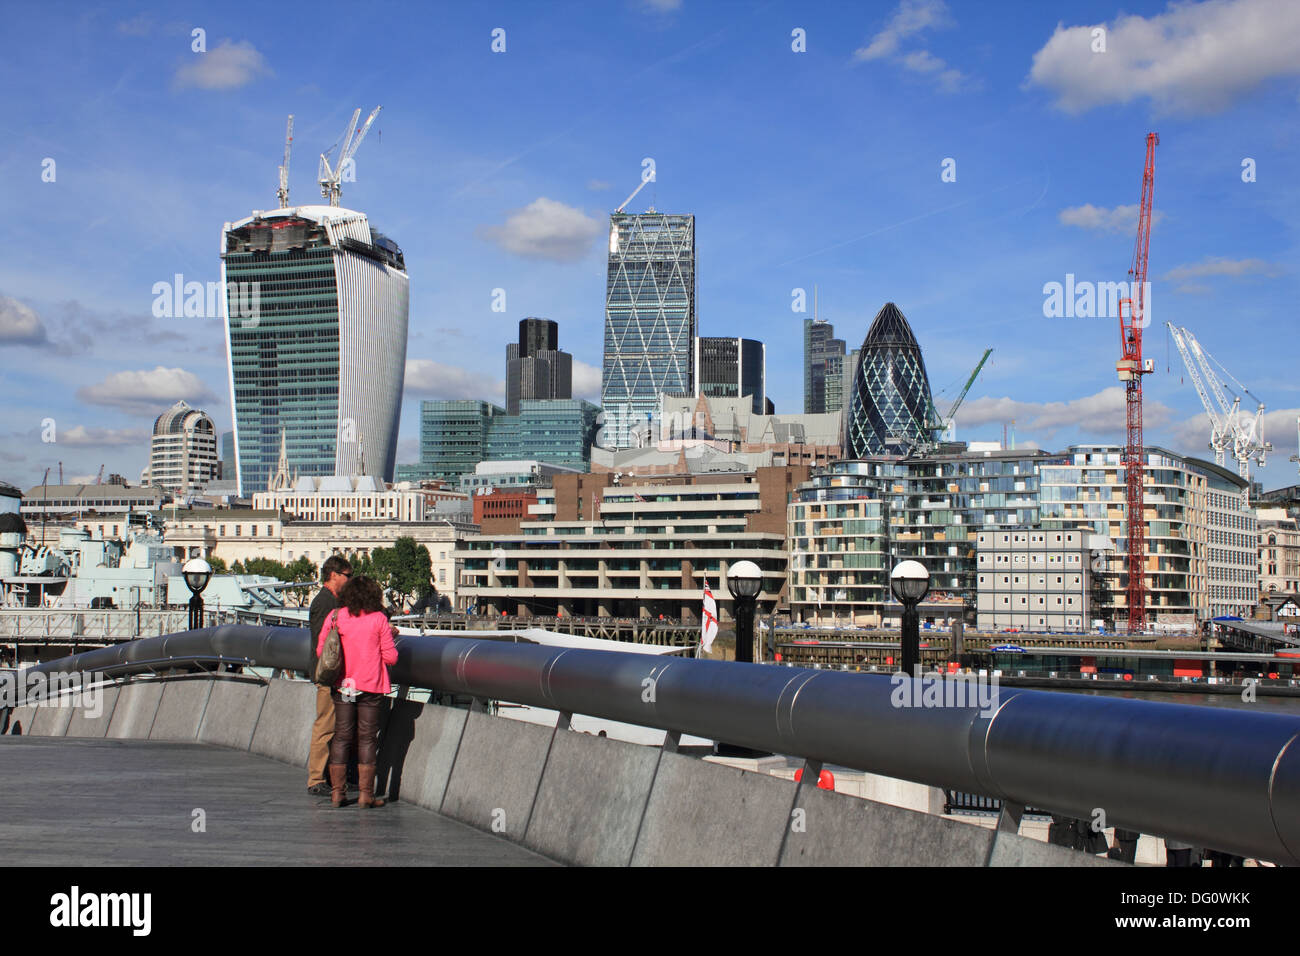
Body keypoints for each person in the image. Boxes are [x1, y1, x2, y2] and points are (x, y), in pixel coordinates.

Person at [318, 574, 398, 809]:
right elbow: (391, 657)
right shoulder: (378, 620)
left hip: (344, 685)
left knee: (342, 736)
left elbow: (321, 650)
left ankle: (337, 793)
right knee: (367, 738)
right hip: (370, 686)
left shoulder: (335, 617)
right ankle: (365, 795)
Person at [306, 555, 351, 797]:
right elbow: (325, 642)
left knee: (334, 726)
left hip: (330, 674)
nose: (349, 580)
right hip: (326, 674)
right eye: (347, 575)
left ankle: (331, 777)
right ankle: (315, 779)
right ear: (334, 575)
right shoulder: (325, 603)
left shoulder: (331, 601)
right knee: (325, 726)